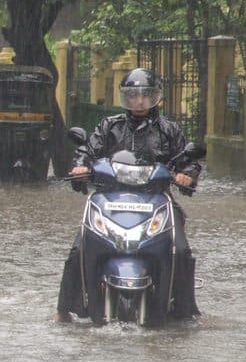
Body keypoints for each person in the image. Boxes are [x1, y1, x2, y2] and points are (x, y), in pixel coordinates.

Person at [56, 68, 202, 322]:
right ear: (125, 98)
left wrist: (186, 174)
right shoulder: (109, 126)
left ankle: (185, 310)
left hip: (156, 199)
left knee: (180, 250)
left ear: (155, 97)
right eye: (133, 96)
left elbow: (186, 160)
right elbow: (87, 150)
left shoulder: (169, 130)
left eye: (145, 95)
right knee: (79, 247)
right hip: (110, 198)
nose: (139, 101)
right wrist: (80, 165)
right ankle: (64, 309)